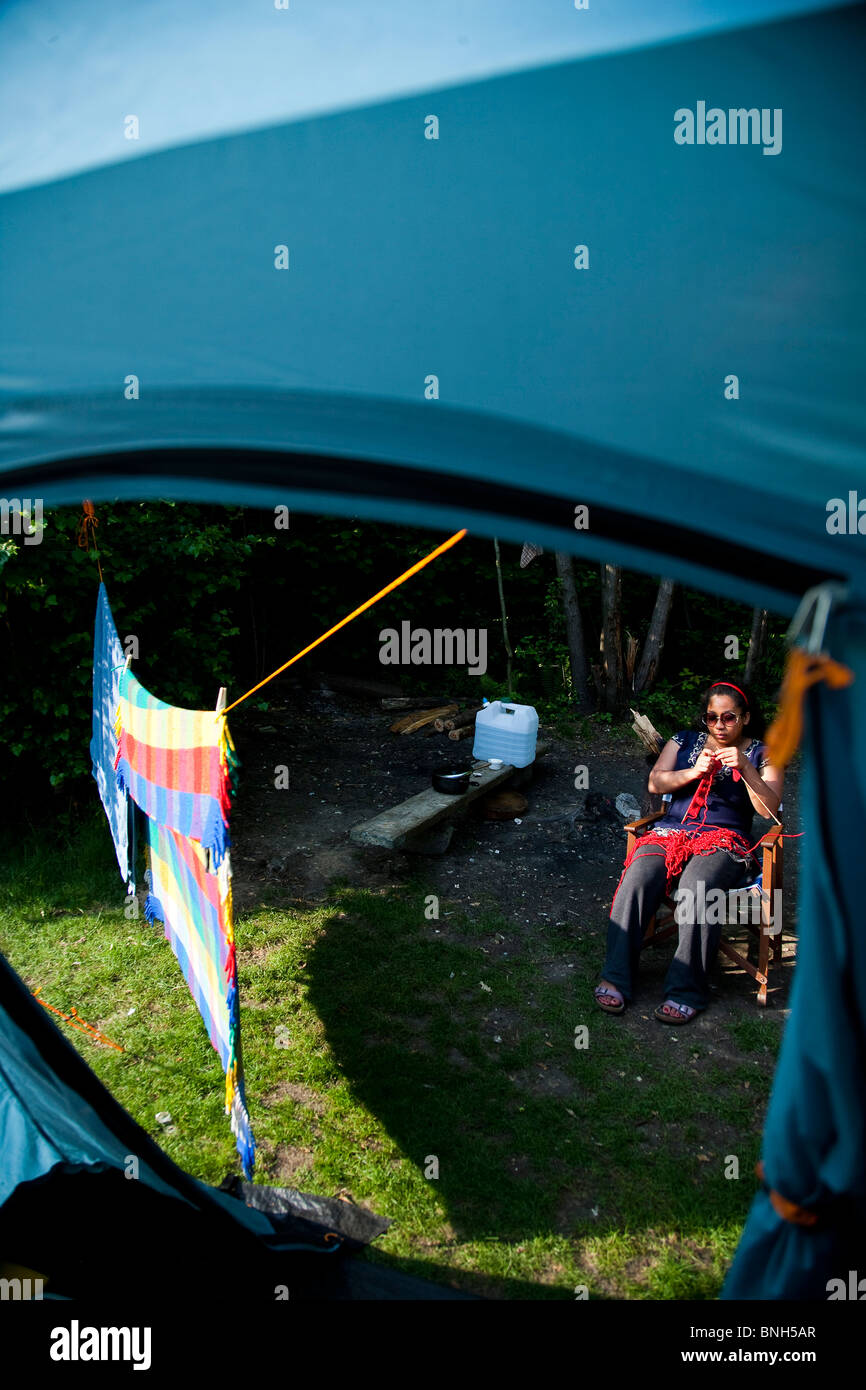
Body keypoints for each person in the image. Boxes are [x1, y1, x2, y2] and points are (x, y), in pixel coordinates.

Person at [594, 678, 783, 1024]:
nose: (719, 725)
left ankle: (686, 990)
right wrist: (694, 771)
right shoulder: (683, 740)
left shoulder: (762, 752)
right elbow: (656, 782)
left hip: (724, 840)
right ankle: (617, 976)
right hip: (670, 832)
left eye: (729, 717)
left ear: (745, 718)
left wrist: (746, 768)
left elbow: (769, 810)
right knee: (636, 878)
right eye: (712, 718)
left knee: (697, 888)